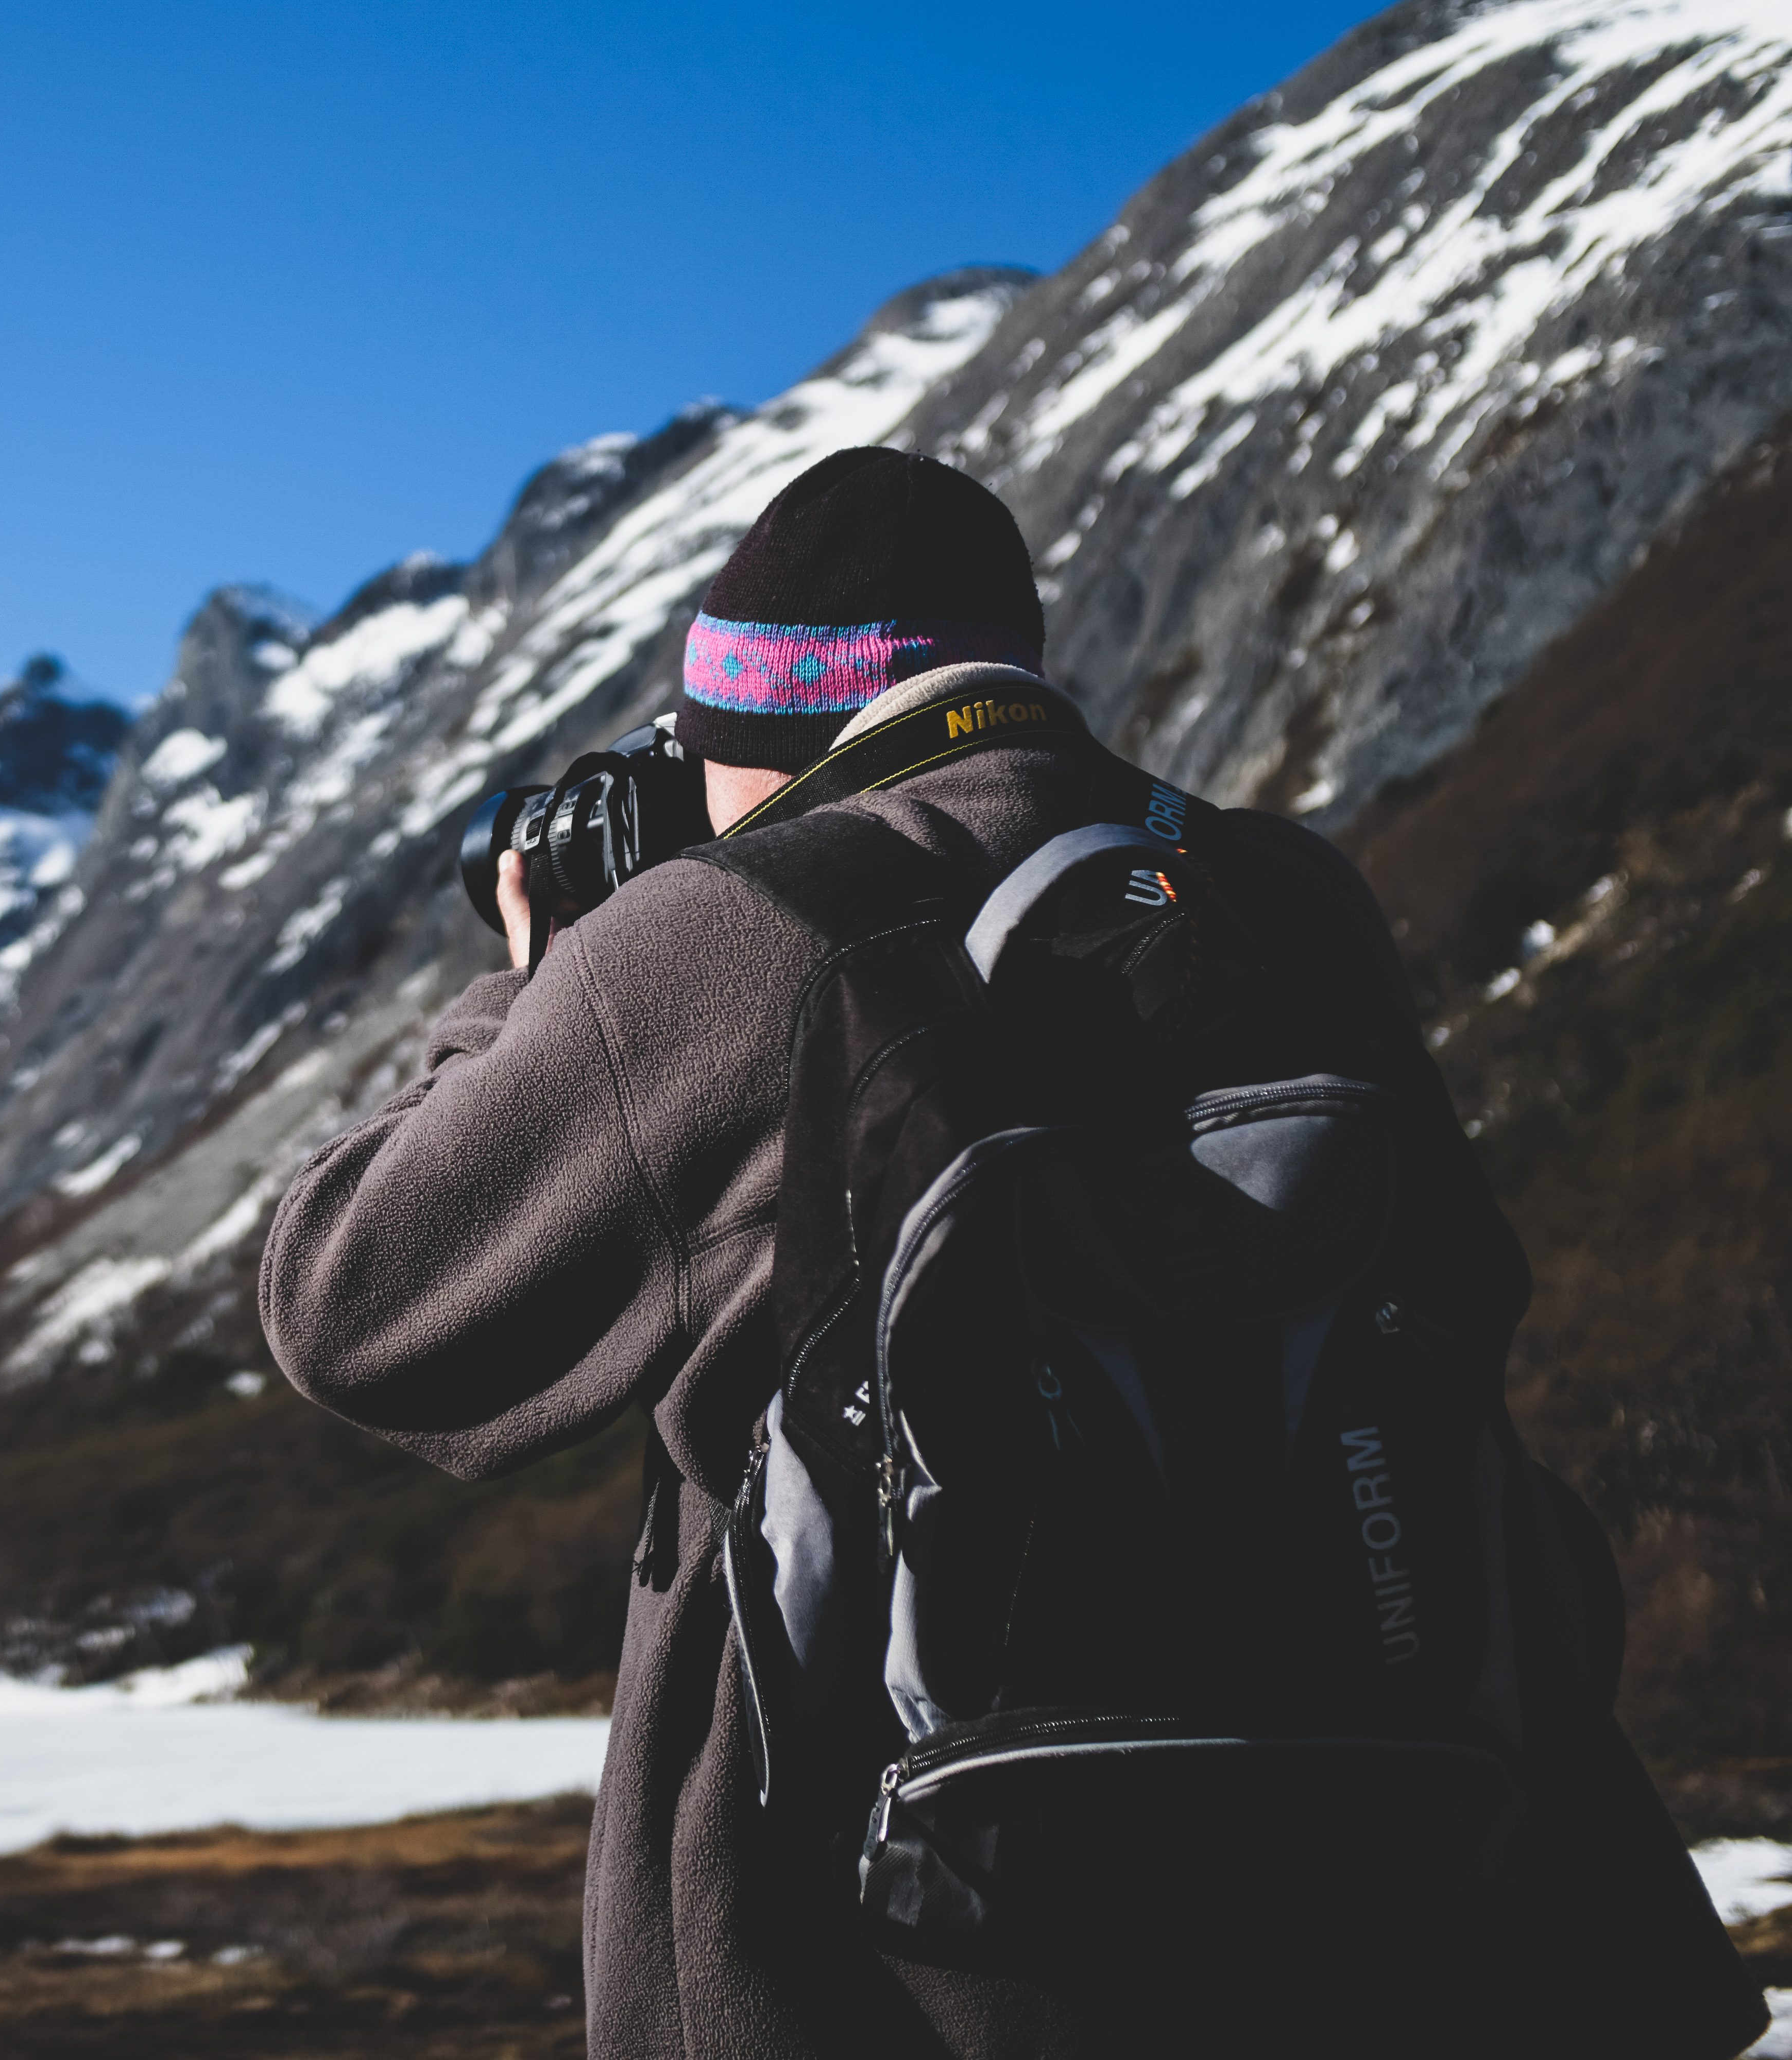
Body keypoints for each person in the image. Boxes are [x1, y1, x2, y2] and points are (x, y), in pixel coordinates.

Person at [257, 448, 1761, 2058]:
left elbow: (348, 1300)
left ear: (756, 735)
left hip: (891, 1955)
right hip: (1405, 1883)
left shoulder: (712, 937)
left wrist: (532, 988)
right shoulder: (1285, 895)